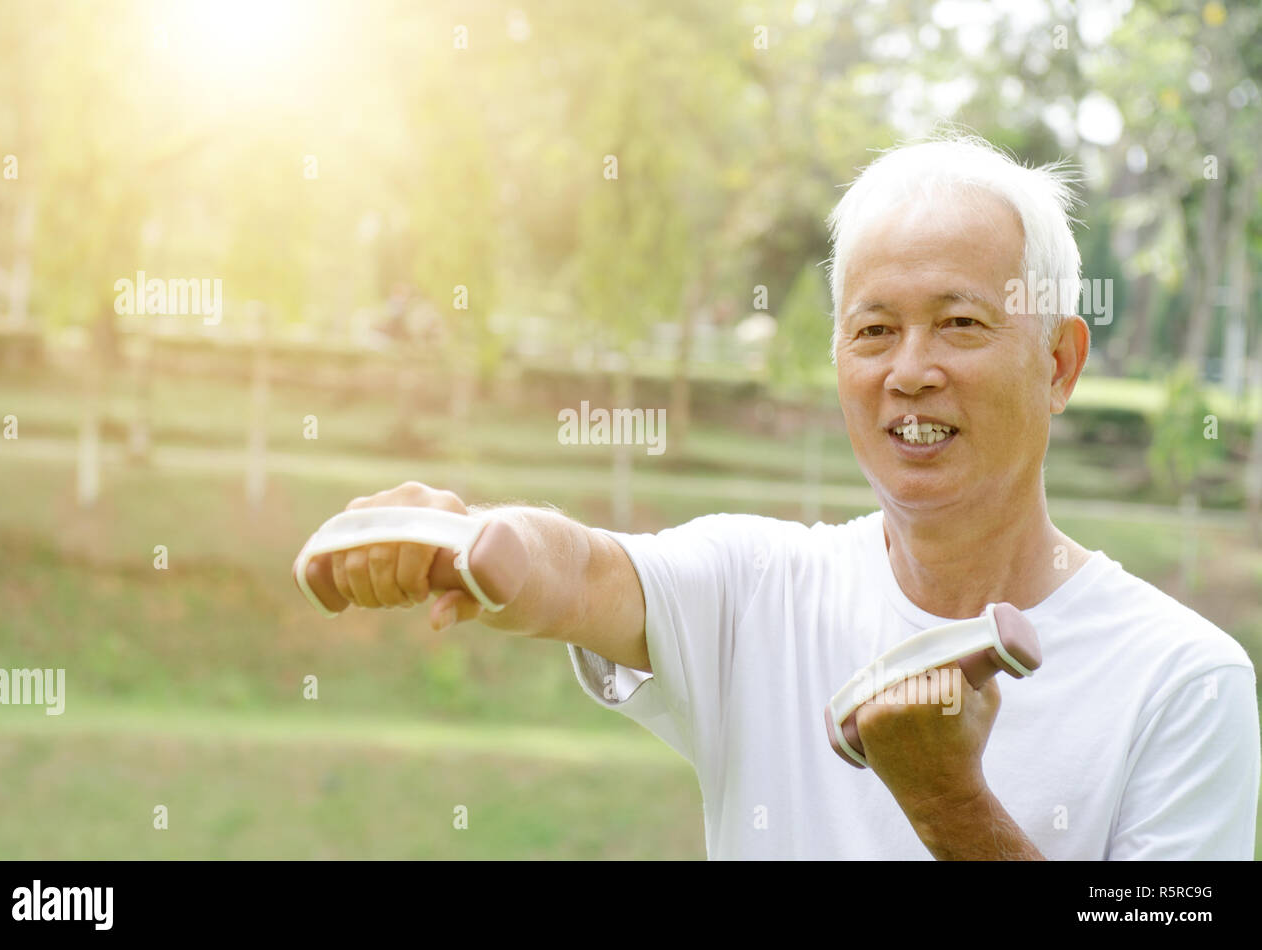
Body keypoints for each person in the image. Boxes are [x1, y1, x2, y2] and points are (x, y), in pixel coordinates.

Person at [299, 134, 1260, 860]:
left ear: (1058, 361)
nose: (910, 370)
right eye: (874, 331)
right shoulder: (760, 587)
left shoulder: (1185, 683)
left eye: (960, 323)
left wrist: (947, 805)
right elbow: (585, 571)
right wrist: (474, 543)